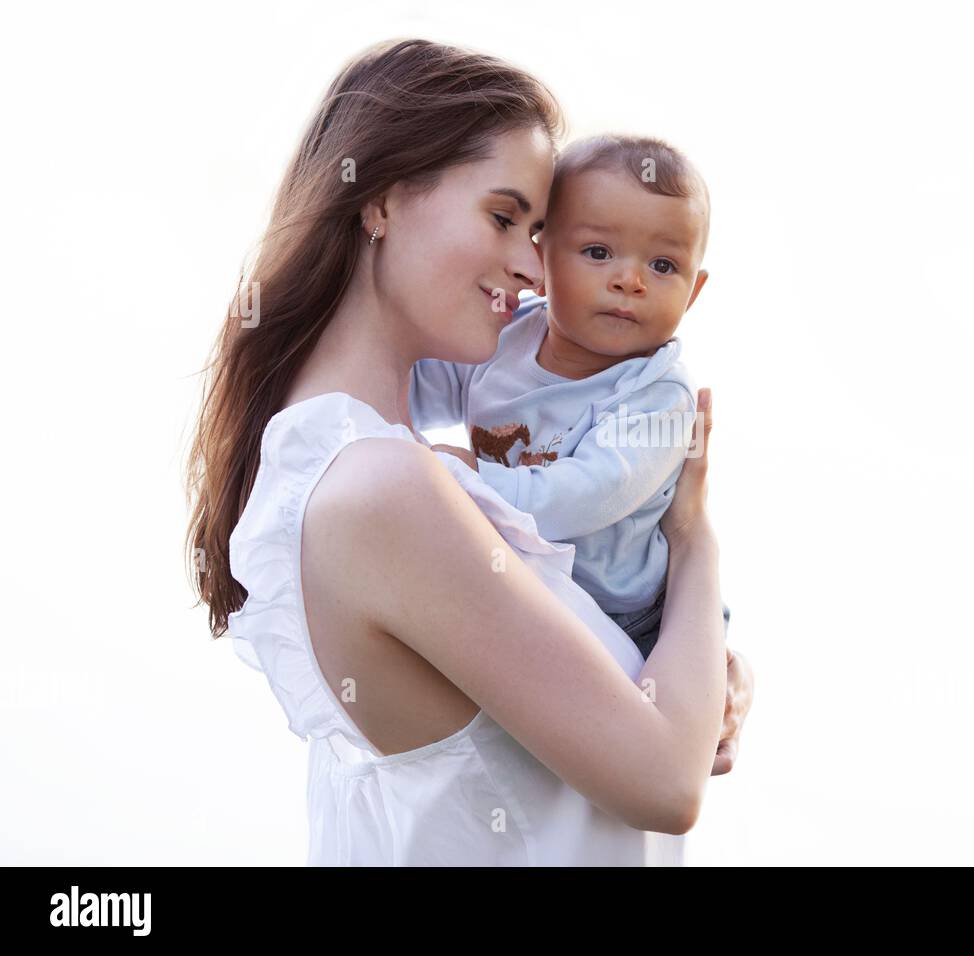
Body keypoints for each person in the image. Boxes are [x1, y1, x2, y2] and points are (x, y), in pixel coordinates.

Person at [184, 38, 753, 865]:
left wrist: (700, 668)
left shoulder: (370, 470)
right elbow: (666, 785)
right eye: (504, 218)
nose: (533, 268)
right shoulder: (386, 487)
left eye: (542, 231)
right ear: (378, 201)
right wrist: (694, 539)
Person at [409, 133, 731, 661]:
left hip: (631, 616)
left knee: (661, 730)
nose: (629, 281)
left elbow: (591, 492)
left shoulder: (657, 394)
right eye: (598, 252)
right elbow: (419, 383)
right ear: (542, 259)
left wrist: (472, 478)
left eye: (663, 266)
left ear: (693, 292)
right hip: (531, 584)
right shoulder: (506, 338)